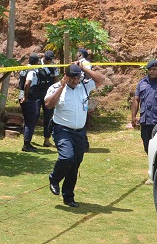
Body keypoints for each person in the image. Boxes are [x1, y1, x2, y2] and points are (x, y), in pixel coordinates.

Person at [45, 62, 107, 208]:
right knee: (67, 157)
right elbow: (48, 104)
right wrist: (61, 87)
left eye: (77, 77)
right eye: (72, 78)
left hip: (79, 132)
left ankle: (68, 196)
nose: (75, 80)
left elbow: (101, 80)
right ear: (65, 76)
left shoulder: (84, 86)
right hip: (62, 130)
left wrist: (84, 68)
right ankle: (54, 178)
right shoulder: (56, 88)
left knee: (74, 165)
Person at [19, 53, 42, 151]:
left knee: (27, 120)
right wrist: (26, 96)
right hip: (28, 98)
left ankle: (27, 142)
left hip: (22, 96)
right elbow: (27, 84)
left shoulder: (24, 69)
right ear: (36, 62)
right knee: (30, 121)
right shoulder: (32, 71)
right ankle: (26, 144)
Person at [39, 50, 59, 147]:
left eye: (50, 60)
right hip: (37, 94)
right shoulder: (37, 64)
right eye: (47, 59)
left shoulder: (53, 67)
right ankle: (27, 140)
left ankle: (46, 140)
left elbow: (56, 79)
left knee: (48, 117)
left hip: (48, 94)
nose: (48, 61)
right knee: (34, 115)